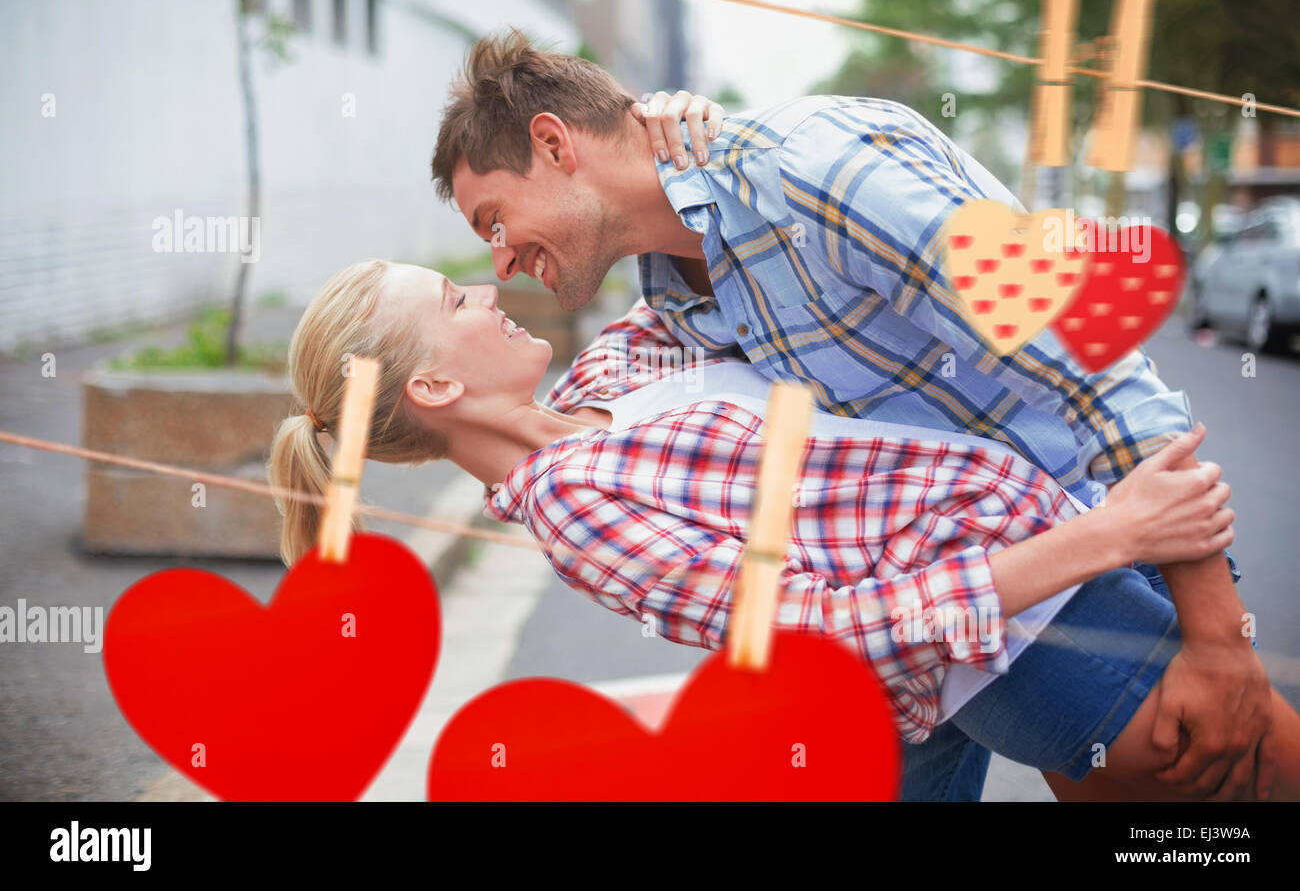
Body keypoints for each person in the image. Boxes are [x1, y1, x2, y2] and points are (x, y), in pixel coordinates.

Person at [428, 29, 1272, 800]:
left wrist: (1220, 640)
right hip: (973, 626)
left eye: (494, 220)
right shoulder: (674, 297)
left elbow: (1090, 360)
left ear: (551, 142)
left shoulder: (812, 168)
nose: (497, 260)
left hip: (1106, 553)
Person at [268, 259, 1297, 801]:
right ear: (437, 382)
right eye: (455, 299)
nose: (489, 287)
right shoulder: (576, 506)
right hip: (1043, 632)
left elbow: (696, 268)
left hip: (1022, 624)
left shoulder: (602, 381)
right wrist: (1111, 534)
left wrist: (685, 142)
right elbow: (822, 629)